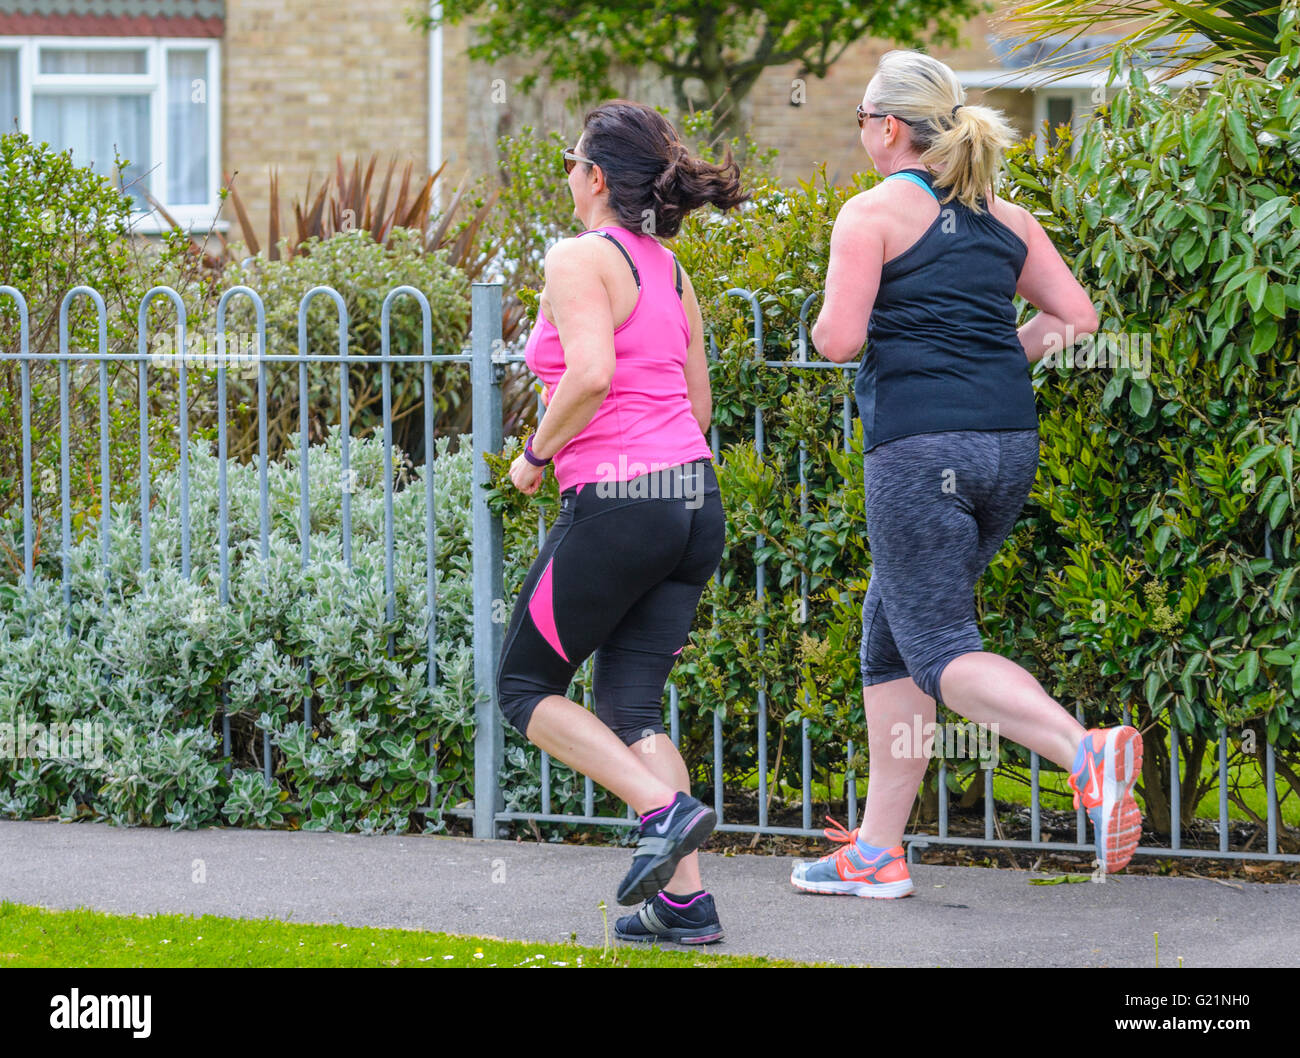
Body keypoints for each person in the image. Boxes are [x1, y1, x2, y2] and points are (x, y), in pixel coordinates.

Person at [796, 49, 1143, 898]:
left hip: (920, 452)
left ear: (886, 127)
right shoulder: (1006, 217)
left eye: (861, 121)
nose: (861, 135)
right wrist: (997, 358)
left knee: (942, 645)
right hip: (1004, 450)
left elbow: (839, 342)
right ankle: (878, 851)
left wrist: (829, 324)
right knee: (892, 635)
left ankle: (1083, 751)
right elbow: (1077, 316)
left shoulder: (870, 214)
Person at [496, 100, 748, 942]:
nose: (567, 177)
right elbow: (699, 402)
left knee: (525, 687)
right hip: (693, 503)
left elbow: (592, 374)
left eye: (572, 163)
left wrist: (535, 455)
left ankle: (661, 810)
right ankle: (685, 902)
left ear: (597, 178)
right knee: (634, 710)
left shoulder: (578, 257)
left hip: (620, 501)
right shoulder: (671, 272)